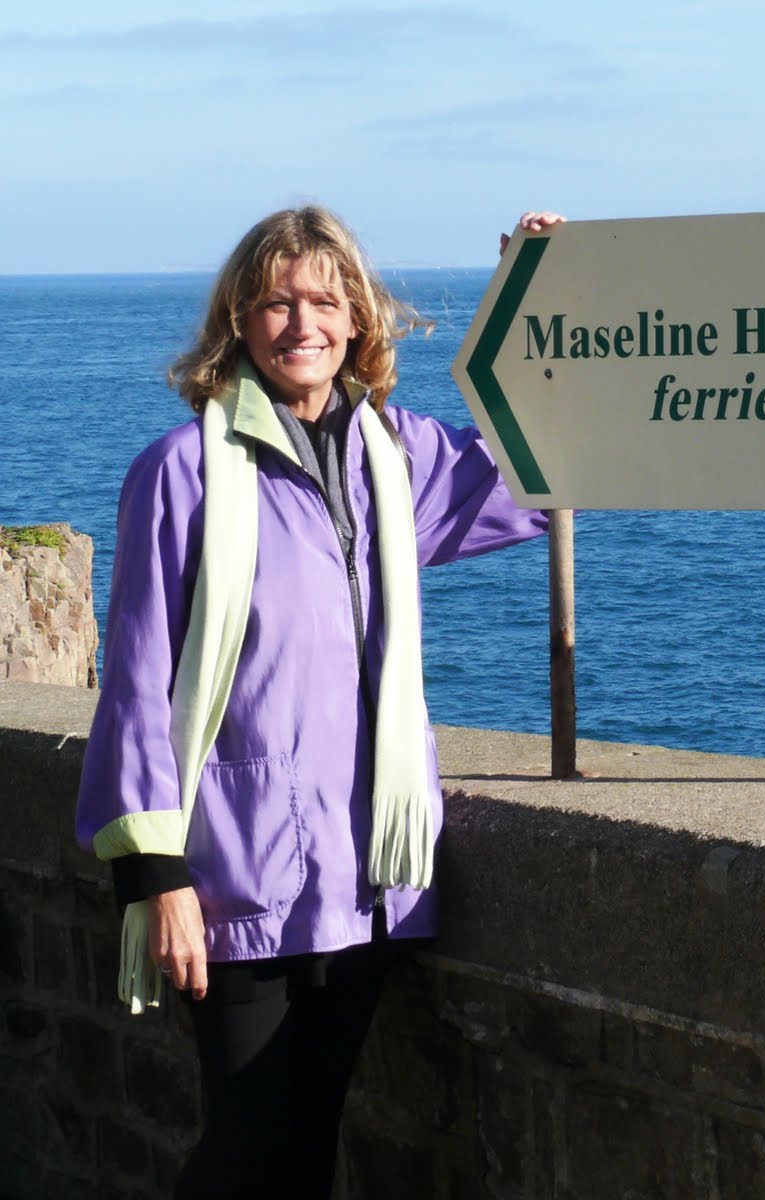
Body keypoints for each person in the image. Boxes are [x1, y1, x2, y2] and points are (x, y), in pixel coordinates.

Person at [75, 205, 564, 1199]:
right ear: (239, 323)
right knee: (248, 1145)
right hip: (235, 872)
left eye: (324, 301)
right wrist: (156, 877)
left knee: (306, 1152)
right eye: (276, 302)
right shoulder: (181, 474)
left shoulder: (397, 455)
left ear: (358, 319)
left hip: (363, 875)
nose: (302, 323)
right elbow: (136, 678)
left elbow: (535, 468)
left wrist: (536, 297)